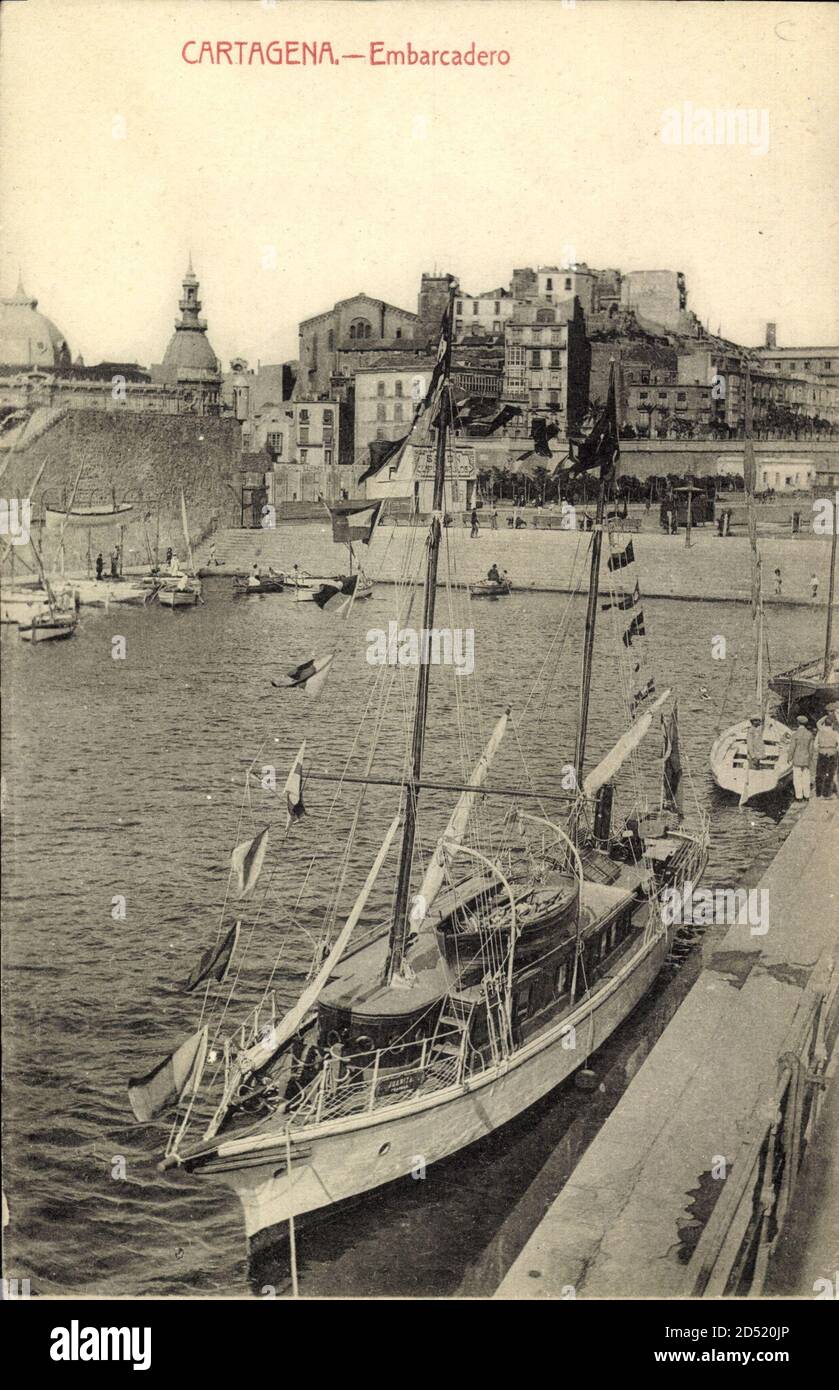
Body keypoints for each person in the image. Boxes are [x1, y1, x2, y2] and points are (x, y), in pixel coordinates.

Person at [814, 714, 839, 796]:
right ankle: (827, 793)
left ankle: (818, 793)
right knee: (831, 773)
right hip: (832, 752)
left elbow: (815, 745)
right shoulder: (835, 733)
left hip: (822, 753)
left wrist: (826, 715)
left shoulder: (820, 732)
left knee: (820, 773)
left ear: (824, 723)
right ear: (832, 724)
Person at [790, 715, 813, 800]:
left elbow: (792, 748)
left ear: (798, 723)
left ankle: (799, 797)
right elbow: (811, 749)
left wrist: (789, 757)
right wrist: (810, 758)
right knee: (806, 777)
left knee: (797, 778)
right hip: (806, 759)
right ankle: (807, 795)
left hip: (797, 759)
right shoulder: (809, 734)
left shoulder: (795, 734)